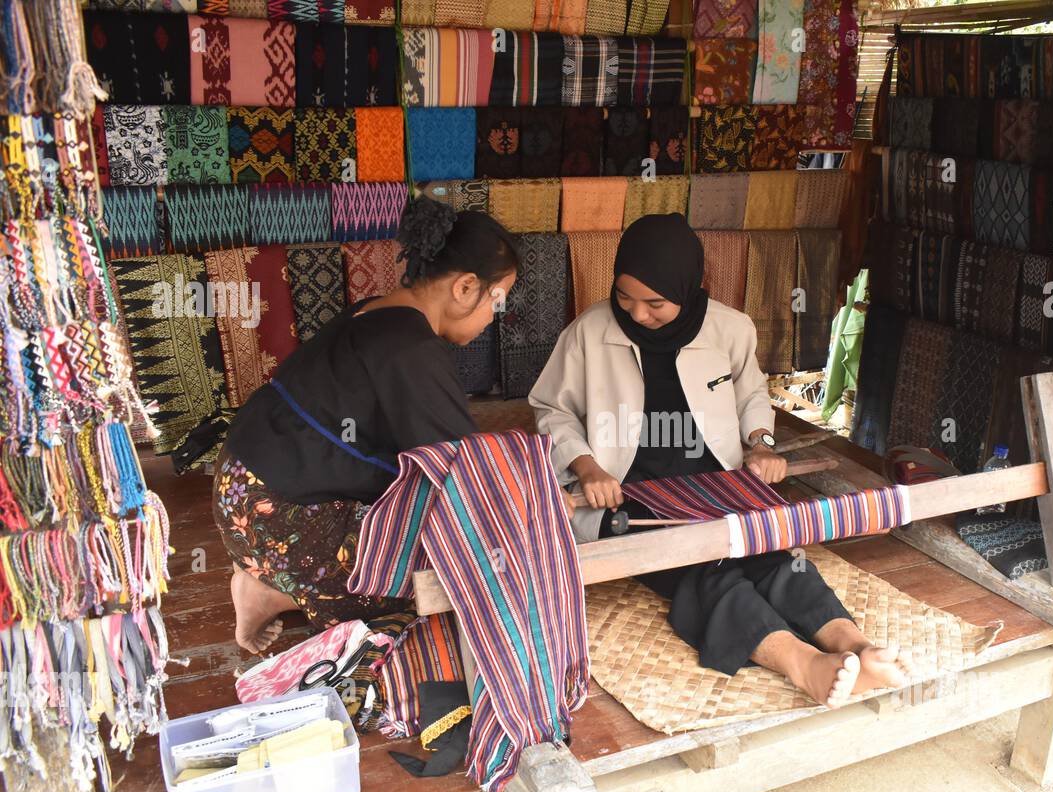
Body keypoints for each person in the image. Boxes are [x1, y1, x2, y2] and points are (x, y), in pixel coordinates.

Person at [529, 214, 912, 707]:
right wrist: (586, 466)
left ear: (691, 288)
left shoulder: (730, 328)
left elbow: (752, 393)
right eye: (624, 298)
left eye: (655, 303)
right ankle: (805, 664)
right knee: (704, 570)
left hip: (716, 488)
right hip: (631, 499)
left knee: (775, 556)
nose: (637, 314)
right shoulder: (587, 332)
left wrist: (760, 443)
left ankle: (855, 646)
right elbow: (552, 409)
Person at [213, 200, 519, 653]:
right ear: (466, 286)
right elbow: (464, 470)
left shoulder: (375, 312)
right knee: (444, 575)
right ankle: (275, 592)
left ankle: (272, 574)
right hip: (277, 516)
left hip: (238, 492)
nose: (495, 314)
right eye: (497, 300)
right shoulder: (409, 347)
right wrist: (536, 501)